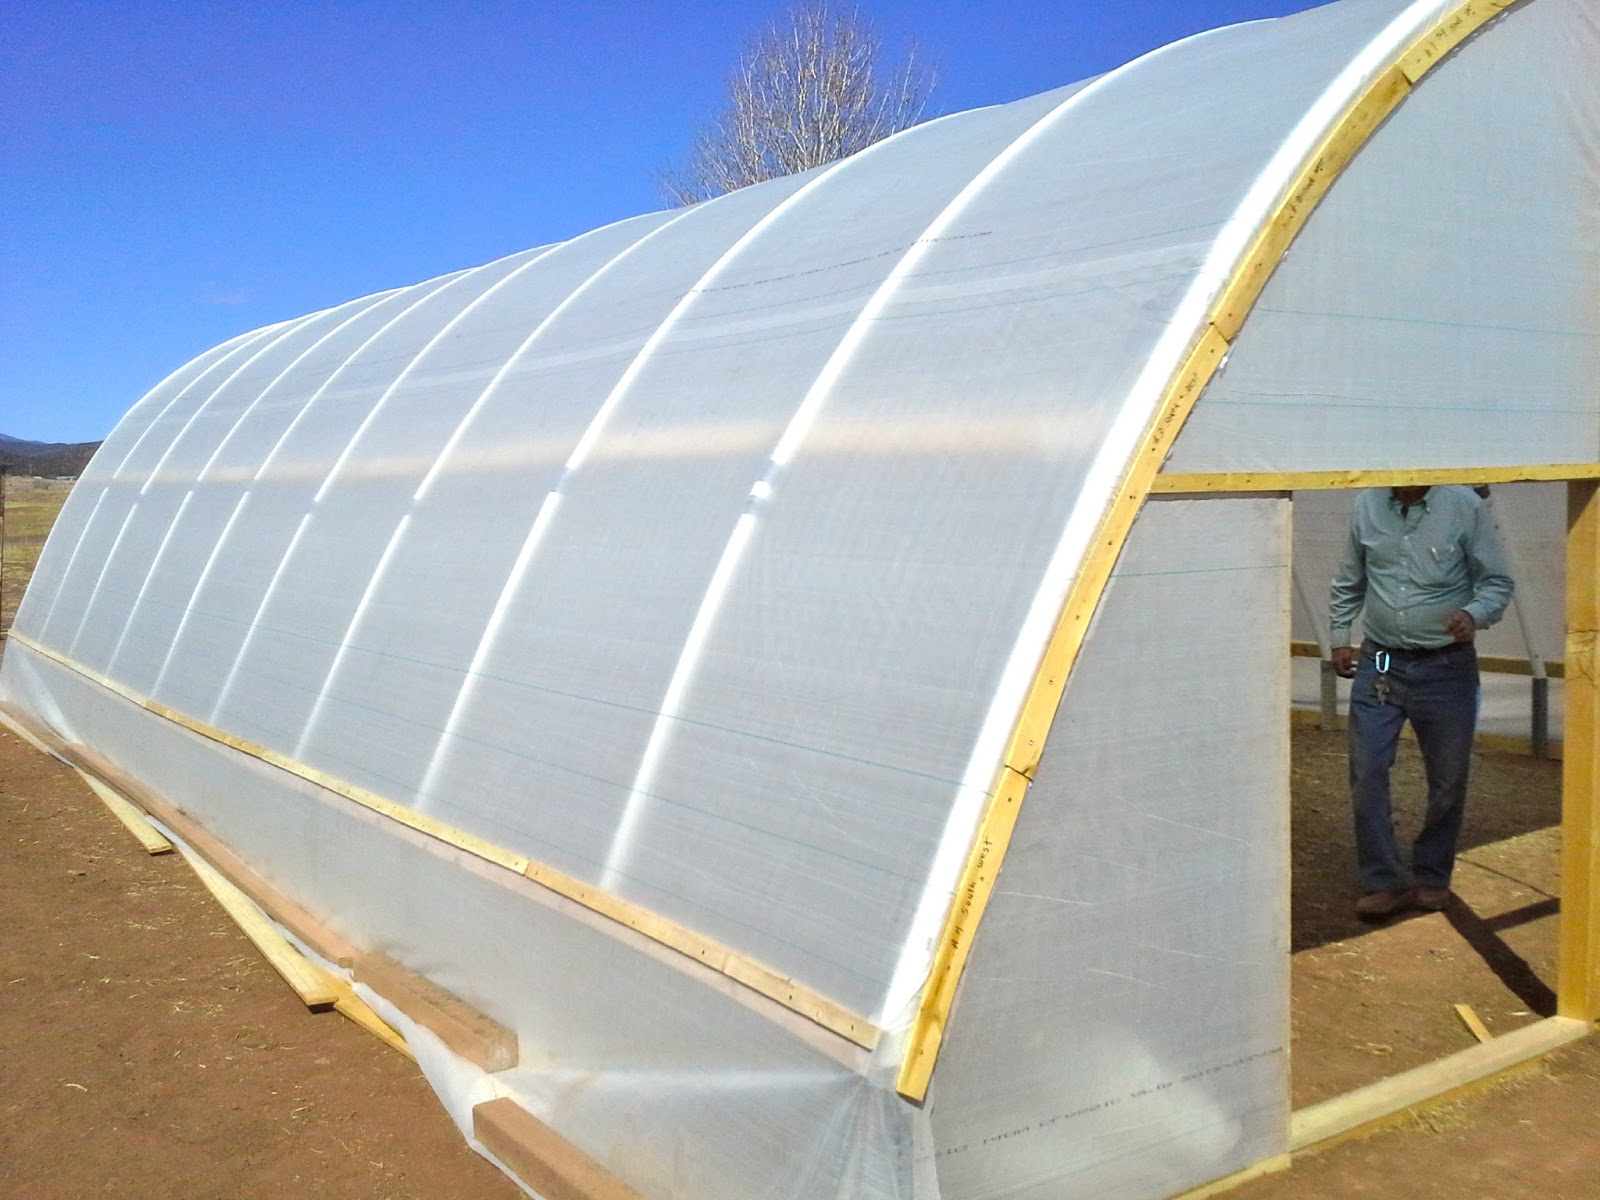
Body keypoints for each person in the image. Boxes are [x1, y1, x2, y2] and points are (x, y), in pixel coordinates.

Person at [1329, 484, 1514, 920]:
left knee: (1448, 778)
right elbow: (1350, 576)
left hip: (1444, 664)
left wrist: (1473, 614)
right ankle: (1383, 881)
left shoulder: (1464, 505)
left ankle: (1432, 874)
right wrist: (1340, 636)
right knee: (1368, 768)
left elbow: (1497, 580)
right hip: (1384, 658)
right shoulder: (1367, 504)